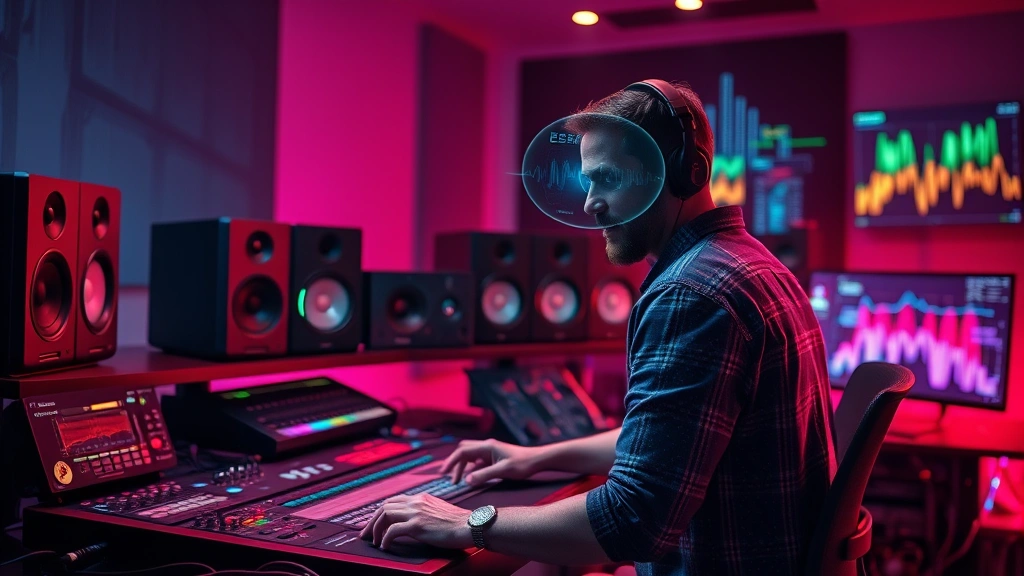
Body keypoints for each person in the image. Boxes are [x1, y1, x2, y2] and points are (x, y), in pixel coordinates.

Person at [359, 80, 837, 575]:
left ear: (680, 173)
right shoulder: (752, 263)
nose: (589, 203)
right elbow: (668, 438)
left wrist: (467, 523)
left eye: (605, 178)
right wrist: (536, 457)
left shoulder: (690, 294)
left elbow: (632, 519)